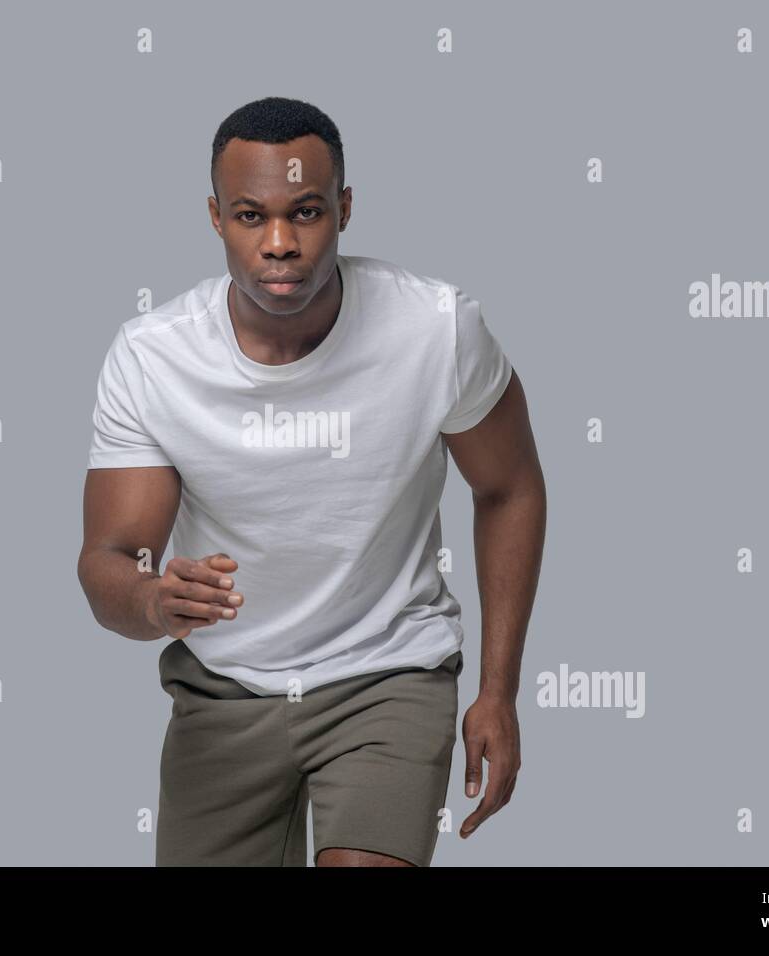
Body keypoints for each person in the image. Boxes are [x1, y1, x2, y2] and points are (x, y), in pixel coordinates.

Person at [78, 96, 546, 867]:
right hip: (225, 689)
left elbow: (510, 488)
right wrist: (153, 598)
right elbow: (111, 557)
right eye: (250, 216)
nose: (281, 243)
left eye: (306, 212)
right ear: (215, 218)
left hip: (386, 673)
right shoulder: (152, 357)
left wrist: (498, 690)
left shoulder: (435, 329)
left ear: (346, 209)